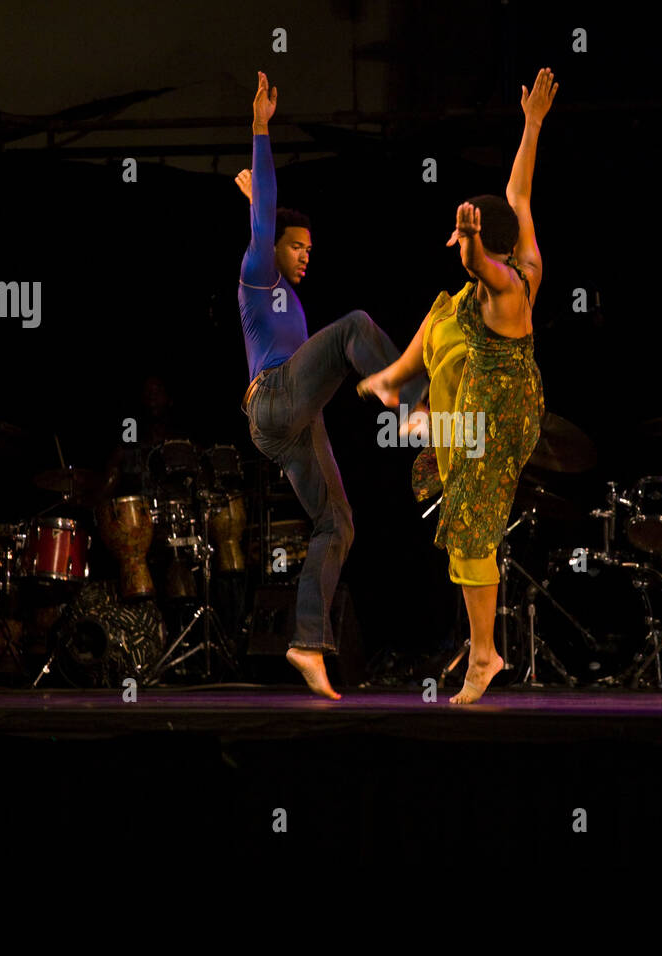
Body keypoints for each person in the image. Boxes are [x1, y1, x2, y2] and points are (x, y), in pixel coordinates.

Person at [358, 67, 557, 703]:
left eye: (473, 243)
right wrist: (531, 125)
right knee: (446, 311)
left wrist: (469, 238)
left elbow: (479, 264)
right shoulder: (516, 254)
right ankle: (399, 385)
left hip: (500, 412)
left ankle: (484, 656)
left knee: (472, 528)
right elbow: (518, 191)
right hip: (483, 398)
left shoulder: (508, 287)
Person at [237, 72, 426, 699]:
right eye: (298, 247)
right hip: (273, 399)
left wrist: (260, 210)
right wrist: (261, 129)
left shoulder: (287, 299)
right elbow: (265, 222)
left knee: (338, 524)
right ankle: (411, 398)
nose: (306, 256)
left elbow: (267, 220)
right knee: (355, 328)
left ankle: (306, 643)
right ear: (272, 250)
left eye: (311, 249)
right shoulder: (256, 275)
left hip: (293, 424)